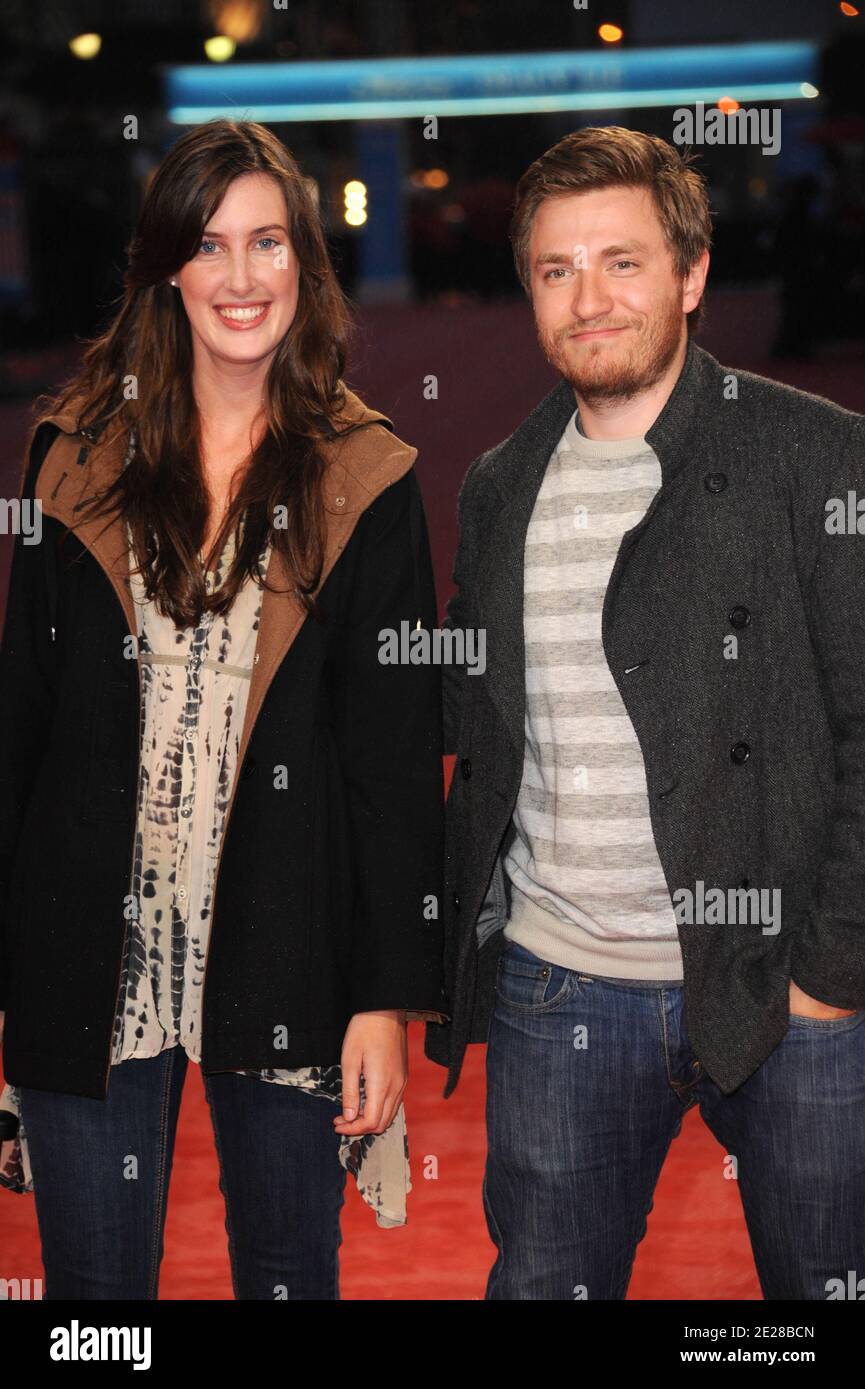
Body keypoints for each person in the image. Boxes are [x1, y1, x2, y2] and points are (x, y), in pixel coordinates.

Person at [0, 118, 447, 1300]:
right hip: (87, 960)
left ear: (305, 260)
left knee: (289, 1279)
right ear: (165, 270)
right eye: (207, 246)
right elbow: (18, 732)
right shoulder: (74, 458)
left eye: (267, 243)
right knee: (97, 1304)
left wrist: (382, 999)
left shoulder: (365, 477)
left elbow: (395, 766)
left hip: (288, 954)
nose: (240, 279)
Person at [424, 125, 865, 1300]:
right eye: (556, 270)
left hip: (786, 991)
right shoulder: (498, 486)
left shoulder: (816, 460)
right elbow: (478, 727)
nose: (590, 298)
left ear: (692, 273)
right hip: (558, 984)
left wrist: (830, 972)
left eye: (622, 261)